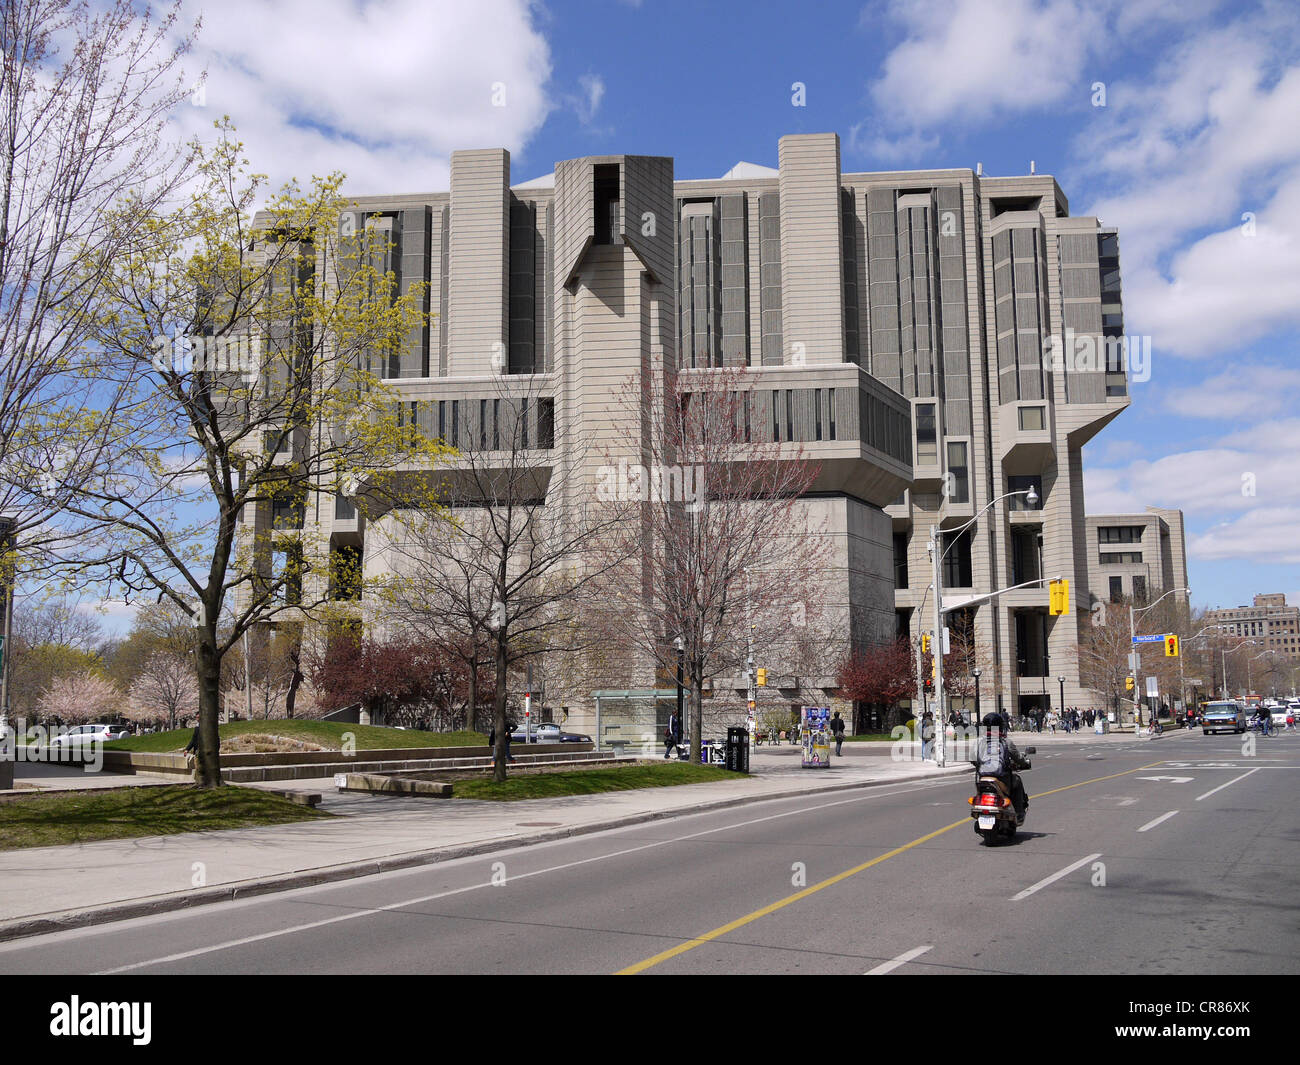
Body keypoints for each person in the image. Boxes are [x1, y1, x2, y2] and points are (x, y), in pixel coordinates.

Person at [974, 713, 1030, 819]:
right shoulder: (1006, 742)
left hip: (982, 779)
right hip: (1002, 779)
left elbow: (973, 759)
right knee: (1017, 780)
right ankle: (1019, 812)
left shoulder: (979, 743)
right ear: (1000, 726)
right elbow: (1018, 758)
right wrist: (1025, 762)